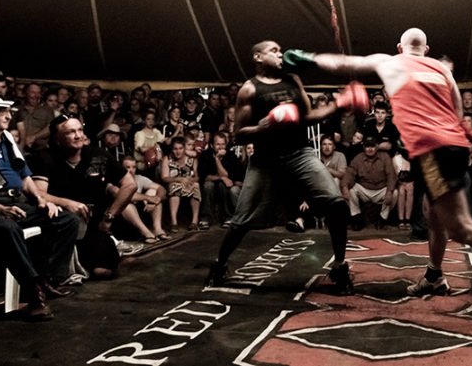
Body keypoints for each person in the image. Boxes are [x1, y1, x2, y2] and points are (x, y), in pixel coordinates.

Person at [285, 28, 472, 317]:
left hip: (433, 151)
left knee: (460, 227)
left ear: (399, 47)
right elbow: (458, 114)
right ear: (427, 49)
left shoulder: (391, 62)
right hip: (453, 147)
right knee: (435, 215)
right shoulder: (441, 70)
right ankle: (434, 276)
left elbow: (345, 64)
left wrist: (308, 58)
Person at [204, 40, 366, 295]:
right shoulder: (250, 89)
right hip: (265, 161)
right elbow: (239, 135)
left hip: (300, 153)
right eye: (274, 51)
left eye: (281, 50)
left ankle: (340, 266)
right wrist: (264, 126)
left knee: (336, 204)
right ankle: (219, 265)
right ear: (258, 57)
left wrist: (338, 104)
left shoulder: (292, 80)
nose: (281, 54)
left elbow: (308, 117)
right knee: (241, 220)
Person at [0, 94, 80, 320]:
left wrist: (42, 201)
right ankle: (34, 293)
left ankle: (47, 279)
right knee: (8, 228)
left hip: (17, 203)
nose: (9, 116)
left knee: (67, 220)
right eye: (3, 112)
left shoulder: (6, 142)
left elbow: (24, 176)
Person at [30, 114, 139, 279]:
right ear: (58, 138)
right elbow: (39, 193)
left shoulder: (98, 155)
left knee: (103, 272)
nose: (78, 135)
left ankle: (112, 251)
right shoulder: (45, 157)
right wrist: (67, 203)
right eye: (71, 132)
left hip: (94, 226)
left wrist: (109, 216)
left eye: (80, 130)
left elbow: (130, 185)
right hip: (61, 227)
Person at [342, 137, 397, 229]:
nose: (370, 149)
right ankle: (356, 218)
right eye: (367, 146)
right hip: (364, 189)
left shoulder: (385, 157)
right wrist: (344, 187)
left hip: (381, 189)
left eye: (372, 146)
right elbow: (349, 174)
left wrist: (389, 191)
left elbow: (391, 176)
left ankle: (382, 218)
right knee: (351, 190)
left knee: (395, 193)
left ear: (377, 147)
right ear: (364, 147)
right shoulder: (358, 158)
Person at [161, 136, 201, 232]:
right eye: (175, 149)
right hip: (174, 183)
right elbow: (164, 177)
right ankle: (173, 222)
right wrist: (178, 179)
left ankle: (194, 221)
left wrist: (190, 180)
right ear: (172, 149)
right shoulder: (167, 158)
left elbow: (198, 177)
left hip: (189, 183)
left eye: (180, 148)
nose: (178, 151)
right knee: (174, 188)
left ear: (184, 149)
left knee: (196, 186)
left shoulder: (192, 159)